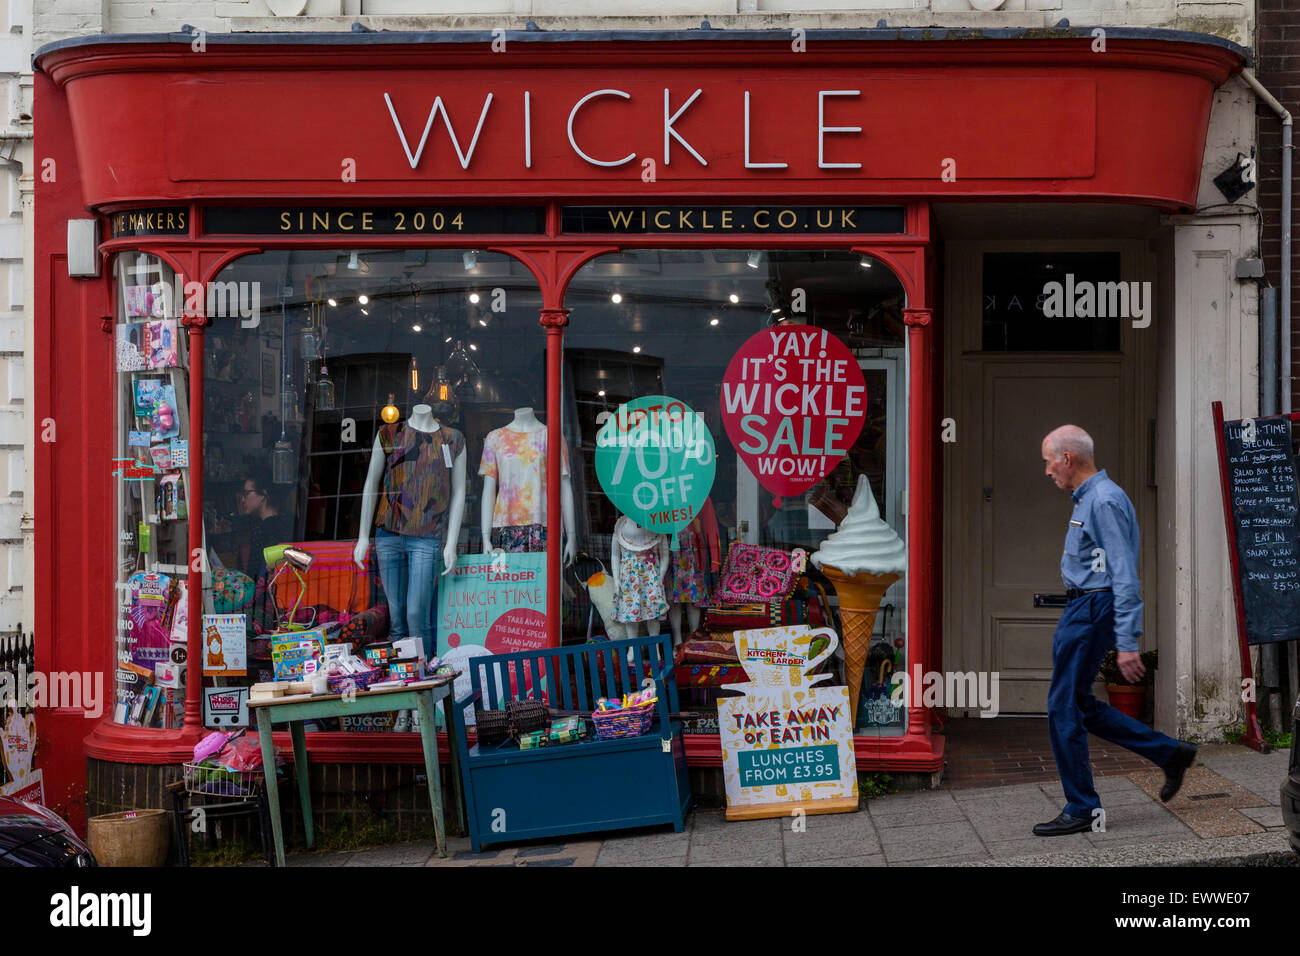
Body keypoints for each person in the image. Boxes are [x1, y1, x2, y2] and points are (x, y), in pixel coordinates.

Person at [1033, 425, 1197, 837]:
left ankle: (1083, 807)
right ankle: (1170, 753)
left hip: (1092, 608)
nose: (1047, 471)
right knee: (1078, 706)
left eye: (1048, 461)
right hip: (1084, 608)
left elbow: (1122, 575)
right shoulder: (1092, 497)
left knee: (1063, 709)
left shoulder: (1102, 501)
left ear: (1067, 458)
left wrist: (1127, 642)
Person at [238, 469, 294, 580]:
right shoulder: (290, 523)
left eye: (246, 493)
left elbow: (252, 576)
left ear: (263, 495)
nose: (243, 499)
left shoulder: (261, 531)